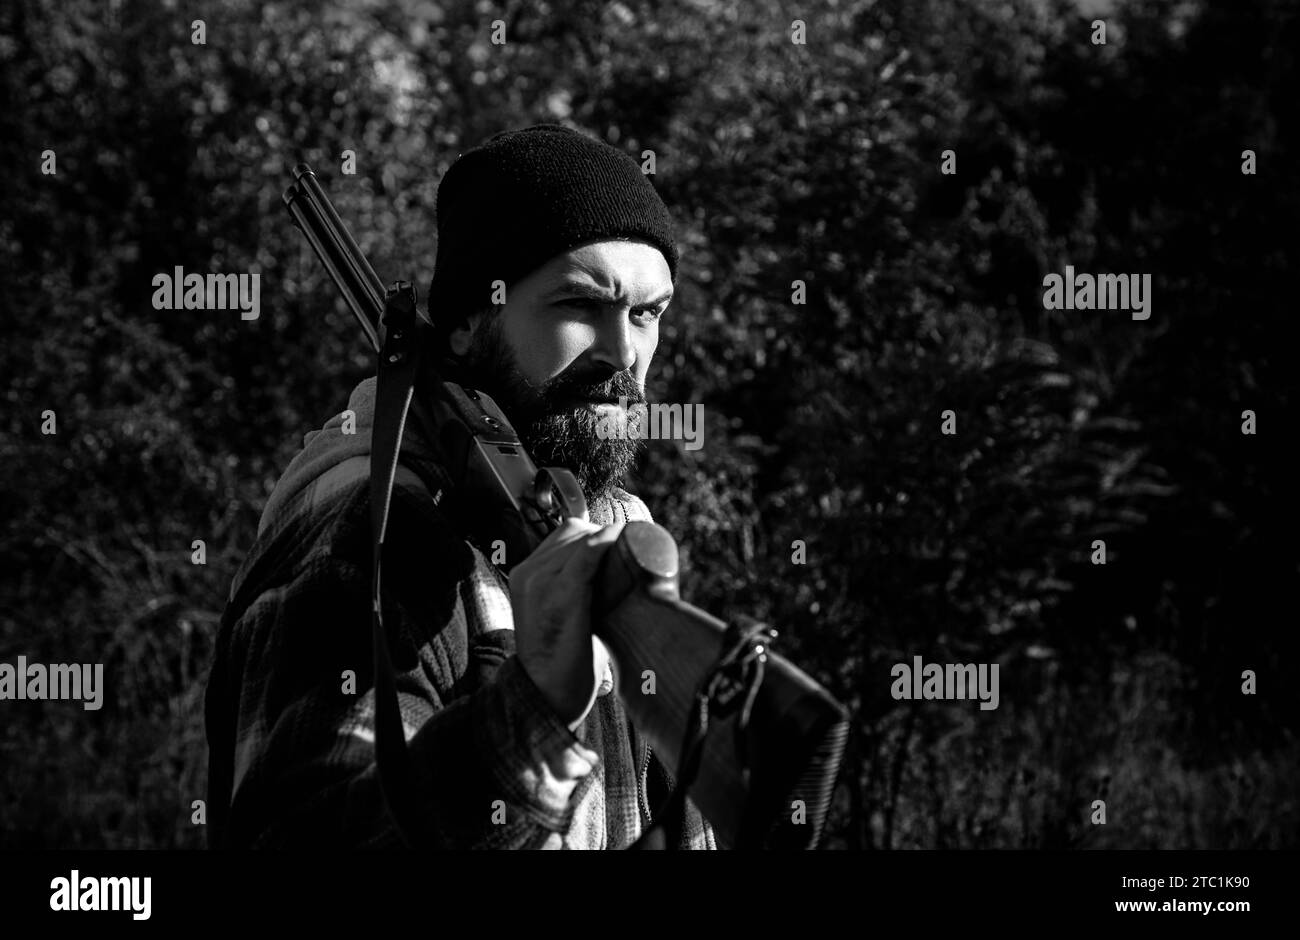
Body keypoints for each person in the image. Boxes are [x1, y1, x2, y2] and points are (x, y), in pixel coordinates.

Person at [204, 124, 717, 849]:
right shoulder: (373, 531)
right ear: (471, 322)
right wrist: (529, 717)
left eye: (646, 314)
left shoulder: (602, 534)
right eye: (578, 305)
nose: (623, 351)